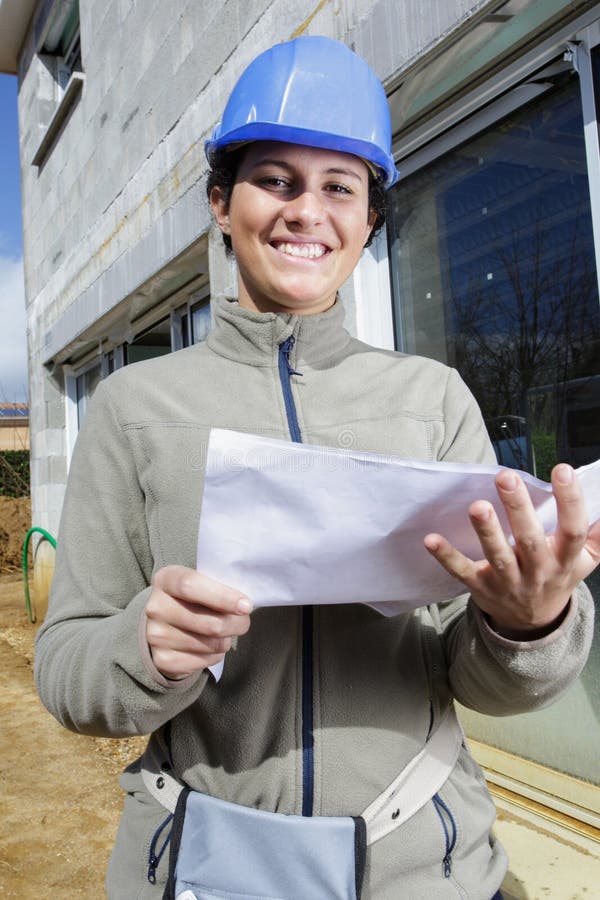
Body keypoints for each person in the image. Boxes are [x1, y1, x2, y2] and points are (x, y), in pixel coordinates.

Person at [34, 36, 598, 900]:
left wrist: (528, 623)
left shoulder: (433, 399)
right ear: (222, 204)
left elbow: (474, 676)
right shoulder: (132, 408)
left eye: (340, 187)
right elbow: (69, 668)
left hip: (426, 866)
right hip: (203, 867)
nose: (308, 211)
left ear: (369, 222)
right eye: (276, 180)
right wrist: (143, 646)